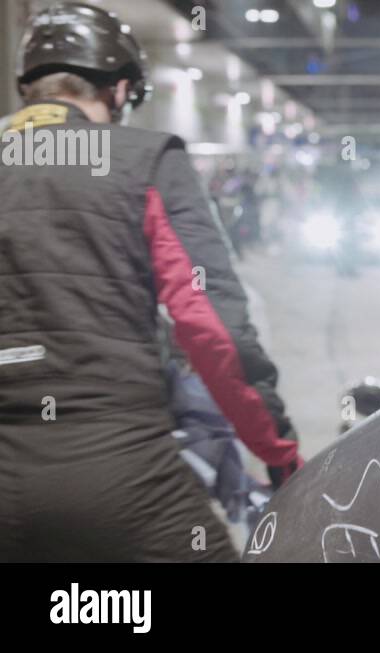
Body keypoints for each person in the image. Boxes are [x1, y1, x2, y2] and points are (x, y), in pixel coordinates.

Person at [0, 3, 301, 562]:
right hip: (121, 470)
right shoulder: (144, 160)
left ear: (29, 87)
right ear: (118, 89)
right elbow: (213, 329)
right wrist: (278, 451)